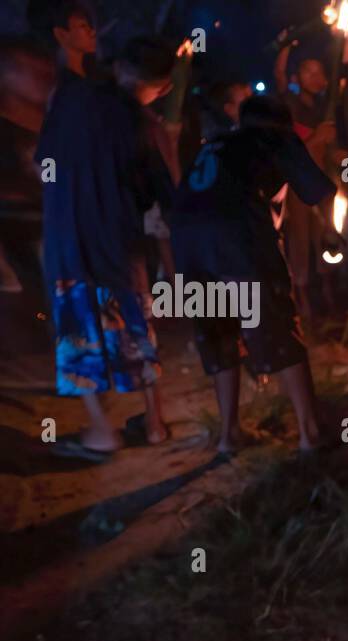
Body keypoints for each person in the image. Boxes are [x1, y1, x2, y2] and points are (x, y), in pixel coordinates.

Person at [169, 95, 335, 455]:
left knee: (219, 332)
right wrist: (332, 231)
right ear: (283, 123)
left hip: (187, 241)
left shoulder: (215, 144)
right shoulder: (275, 137)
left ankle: (228, 436)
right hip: (238, 238)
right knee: (278, 324)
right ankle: (311, 434)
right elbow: (318, 190)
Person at [38, 34, 175, 460]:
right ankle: (154, 424)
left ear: (118, 68)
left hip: (72, 235)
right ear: (164, 88)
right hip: (122, 243)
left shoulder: (72, 102)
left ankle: (102, 432)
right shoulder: (146, 126)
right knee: (135, 326)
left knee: (81, 329)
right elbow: (163, 196)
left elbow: (44, 161)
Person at [274, 39, 335, 322]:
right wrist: (286, 46)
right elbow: (294, 148)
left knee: (324, 234)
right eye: (309, 72)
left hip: (323, 180)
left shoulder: (328, 106)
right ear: (298, 77)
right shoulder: (290, 105)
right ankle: (302, 300)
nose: (317, 77)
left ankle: (328, 292)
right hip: (299, 184)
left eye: (320, 72)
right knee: (298, 238)